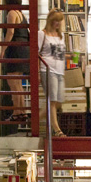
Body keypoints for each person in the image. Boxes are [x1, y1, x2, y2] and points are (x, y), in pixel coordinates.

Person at [1, 0, 30, 122]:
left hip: (14, 49)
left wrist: (3, 48)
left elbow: (10, 31)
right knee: (18, 83)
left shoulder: (11, 13)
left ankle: (16, 112)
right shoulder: (22, 15)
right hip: (23, 49)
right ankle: (22, 112)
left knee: (13, 83)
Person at [39, 9, 66, 137]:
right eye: (56, 20)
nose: (58, 23)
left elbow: (60, 54)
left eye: (60, 20)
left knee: (59, 101)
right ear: (50, 21)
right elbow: (37, 53)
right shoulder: (42, 34)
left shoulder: (61, 36)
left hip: (60, 70)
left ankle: (35, 119)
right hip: (48, 70)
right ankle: (57, 130)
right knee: (52, 100)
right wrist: (39, 73)